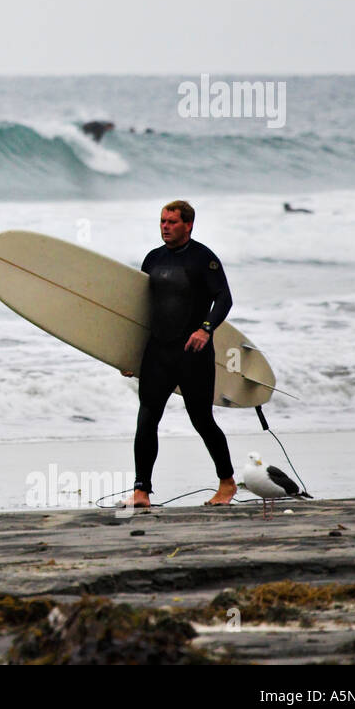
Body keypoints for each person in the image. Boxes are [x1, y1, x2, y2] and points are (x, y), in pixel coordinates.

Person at [120, 200, 236, 509]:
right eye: (162, 221)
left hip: (192, 353)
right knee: (147, 418)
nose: (165, 226)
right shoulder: (153, 259)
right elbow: (139, 310)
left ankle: (227, 482)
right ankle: (141, 490)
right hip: (157, 351)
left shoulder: (203, 258)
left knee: (201, 420)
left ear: (188, 225)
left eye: (172, 222)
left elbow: (224, 298)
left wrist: (205, 329)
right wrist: (128, 355)